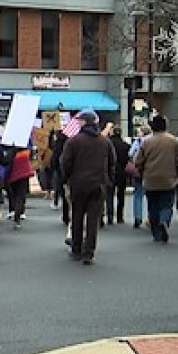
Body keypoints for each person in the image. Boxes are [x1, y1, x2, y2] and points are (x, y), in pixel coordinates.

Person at [60, 112, 116, 262]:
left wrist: (66, 178)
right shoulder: (104, 142)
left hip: (78, 183)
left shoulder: (74, 141)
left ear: (84, 123)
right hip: (98, 183)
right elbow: (112, 162)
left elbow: (65, 163)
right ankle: (89, 251)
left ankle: (76, 248)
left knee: (77, 216)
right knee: (93, 220)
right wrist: (108, 180)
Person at [133, 115, 178, 244]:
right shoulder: (173, 141)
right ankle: (164, 221)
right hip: (169, 178)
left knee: (152, 206)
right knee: (167, 204)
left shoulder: (147, 141)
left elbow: (137, 160)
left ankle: (156, 232)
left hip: (150, 178)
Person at [5, 145, 35, 229]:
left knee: (14, 195)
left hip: (13, 175)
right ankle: (18, 216)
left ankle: (14, 210)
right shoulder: (26, 149)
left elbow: (6, 161)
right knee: (20, 196)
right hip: (24, 173)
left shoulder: (11, 149)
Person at [107, 128, 131, 225]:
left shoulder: (108, 144)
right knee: (121, 195)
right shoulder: (125, 145)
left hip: (110, 171)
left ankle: (110, 215)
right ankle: (120, 216)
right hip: (122, 171)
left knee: (109, 194)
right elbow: (128, 159)